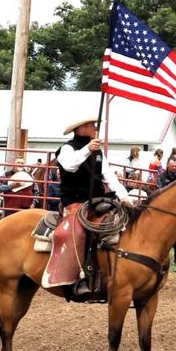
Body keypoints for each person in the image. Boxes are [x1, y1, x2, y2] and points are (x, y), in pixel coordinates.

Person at [44, 117, 132, 298]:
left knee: (123, 224)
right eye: (92, 125)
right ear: (81, 128)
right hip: (75, 200)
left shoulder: (98, 151)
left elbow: (109, 175)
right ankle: (80, 276)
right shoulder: (67, 148)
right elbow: (69, 166)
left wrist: (124, 196)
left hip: (99, 200)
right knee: (77, 232)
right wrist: (87, 149)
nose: (95, 128)